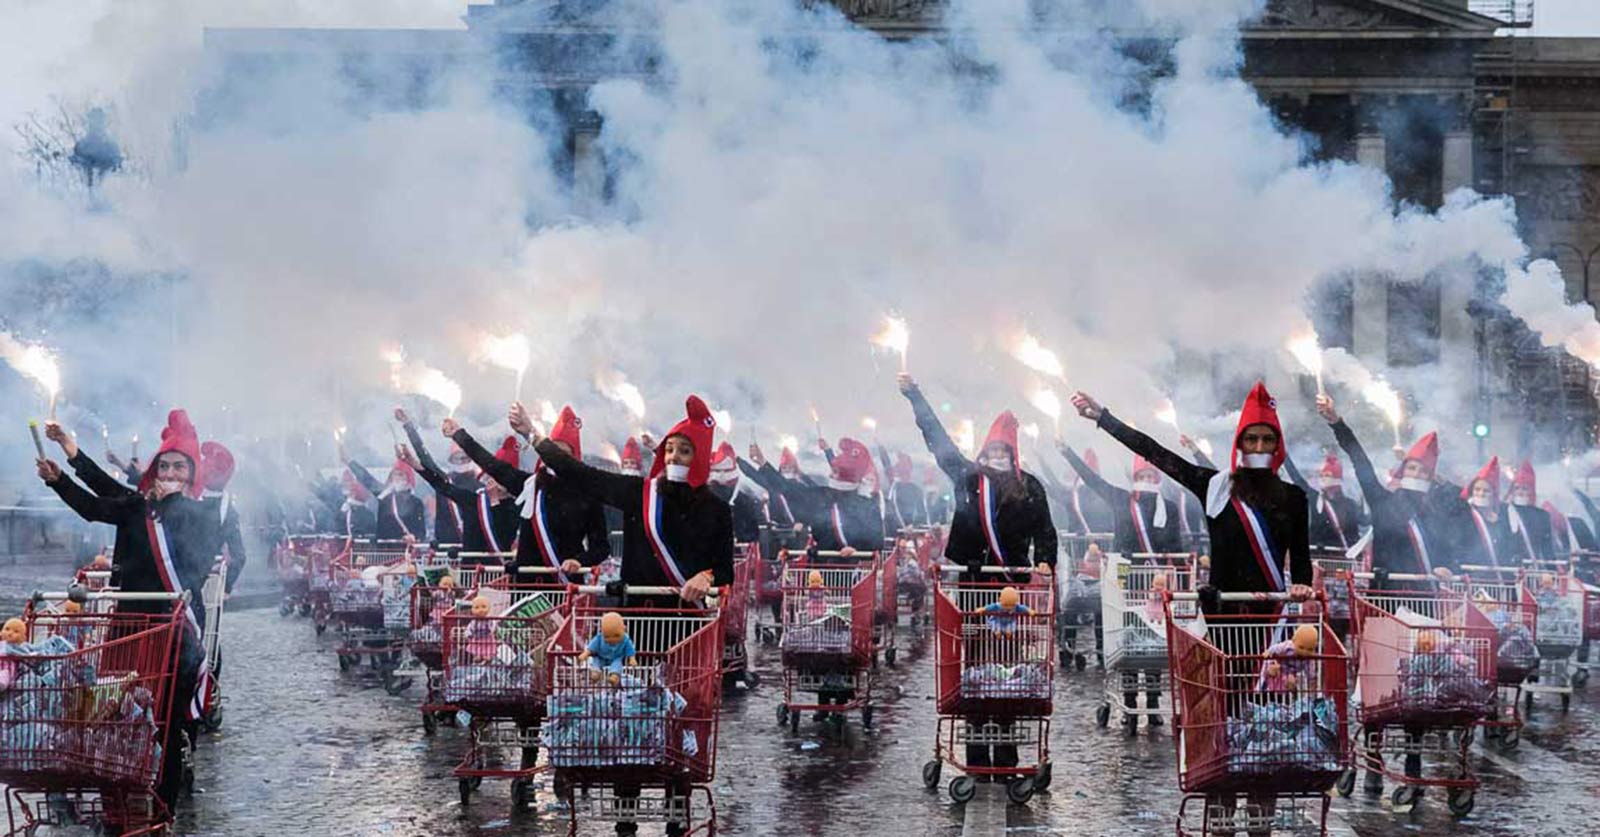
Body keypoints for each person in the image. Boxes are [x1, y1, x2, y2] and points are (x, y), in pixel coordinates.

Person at [38, 411, 213, 812]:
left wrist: (166, 503)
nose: (170, 473)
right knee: (115, 718)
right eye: (164, 466)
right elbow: (97, 502)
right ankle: (117, 802)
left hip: (171, 634)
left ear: (191, 475)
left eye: (179, 466)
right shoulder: (139, 507)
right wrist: (62, 470)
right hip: (128, 627)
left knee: (163, 724)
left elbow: (195, 561)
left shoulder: (198, 515)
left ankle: (164, 809)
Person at [900, 372, 1055, 772]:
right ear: (984, 450)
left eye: (1004, 450)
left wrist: (1045, 560)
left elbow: (1045, 529)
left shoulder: (1030, 486)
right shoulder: (970, 478)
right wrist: (915, 396)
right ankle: (975, 748)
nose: (997, 455)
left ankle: (1005, 749)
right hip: (974, 583)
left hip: (1011, 588)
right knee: (974, 663)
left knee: (1008, 662)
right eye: (992, 449)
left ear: (1013, 453)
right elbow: (938, 441)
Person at [1314, 393, 1452, 795]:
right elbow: (1360, 462)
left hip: (1423, 604)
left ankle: (1412, 763)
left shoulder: (1436, 510)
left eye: (1422, 469)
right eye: (1411, 467)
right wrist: (1337, 422)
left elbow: (1454, 535)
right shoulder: (1383, 500)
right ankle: (1373, 764)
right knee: (1378, 685)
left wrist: (1445, 567)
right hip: (1384, 601)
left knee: (1417, 688)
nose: (1416, 473)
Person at [525, 395, 733, 610]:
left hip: (685, 616)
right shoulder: (640, 492)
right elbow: (584, 475)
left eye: (685, 451)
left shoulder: (717, 509)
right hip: (636, 612)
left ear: (699, 457)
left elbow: (725, 570)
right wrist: (533, 436)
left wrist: (707, 576)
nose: (673, 457)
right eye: (669, 449)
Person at [448, 405, 609, 581]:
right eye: (553, 452)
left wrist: (579, 561)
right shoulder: (531, 486)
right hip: (526, 585)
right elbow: (493, 465)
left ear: (574, 458)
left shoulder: (588, 494)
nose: (556, 459)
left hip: (564, 584)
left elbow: (601, 547)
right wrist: (460, 436)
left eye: (563, 454)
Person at [752, 438, 884, 555]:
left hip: (855, 567)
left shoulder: (868, 506)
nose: (830, 475)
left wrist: (856, 550)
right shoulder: (823, 496)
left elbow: (877, 542)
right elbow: (788, 489)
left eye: (834, 472)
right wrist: (763, 463)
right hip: (823, 564)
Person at [400, 434, 520, 560]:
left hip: (496, 568)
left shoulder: (515, 505)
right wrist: (413, 463)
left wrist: (495, 502)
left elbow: (504, 537)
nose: (492, 480)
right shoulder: (476, 501)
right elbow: (442, 486)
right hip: (469, 566)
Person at [398, 408, 478, 545]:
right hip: (444, 548)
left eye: (464, 457)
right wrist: (408, 426)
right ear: (451, 460)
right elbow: (425, 457)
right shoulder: (444, 480)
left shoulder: (482, 487)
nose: (461, 461)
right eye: (457, 457)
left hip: (472, 549)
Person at [1281, 451, 1365, 554]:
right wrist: (1284, 456)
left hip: (1340, 556)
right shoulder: (1315, 498)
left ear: (1336, 479)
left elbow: (1359, 527)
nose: (1322, 478)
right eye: (1321, 475)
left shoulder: (1349, 505)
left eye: (1327, 475)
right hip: (1317, 554)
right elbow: (1298, 480)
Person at [342, 440, 425, 542]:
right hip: (384, 547)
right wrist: (350, 462)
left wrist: (414, 537)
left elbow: (421, 531)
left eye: (401, 474)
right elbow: (367, 479)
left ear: (408, 478)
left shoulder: (416, 502)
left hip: (405, 547)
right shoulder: (385, 496)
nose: (397, 478)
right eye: (394, 474)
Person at [1446, 457, 1513, 571]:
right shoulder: (1463, 515)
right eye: (1477, 489)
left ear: (1494, 494)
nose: (1481, 494)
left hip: (1497, 575)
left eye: (1486, 491)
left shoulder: (1503, 520)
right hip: (1470, 572)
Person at [708, 442, 769, 543]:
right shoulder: (746, 500)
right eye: (718, 471)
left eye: (725, 471)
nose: (722, 475)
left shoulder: (745, 500)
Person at [1503, 460, 1555, 564]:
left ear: (1531, 491)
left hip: (1532, 567)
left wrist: (1552, 569)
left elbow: (1547, 549)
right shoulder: (1504, 512)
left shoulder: (1542, 516)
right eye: (1517, 488)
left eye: (1524, 489)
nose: (1520, 492)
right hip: (1509, 567)